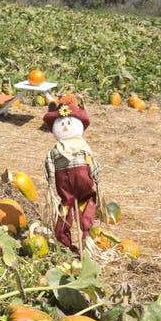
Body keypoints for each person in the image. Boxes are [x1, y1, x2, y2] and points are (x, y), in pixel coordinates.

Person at [43, 100, 103, 251]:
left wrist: (50, 180)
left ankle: (70, 237)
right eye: (61, 123)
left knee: (68, 203)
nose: (64, 126)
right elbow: (91, 160)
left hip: (63, 179)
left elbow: (49, 163)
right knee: (84, 200)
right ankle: (74, 239)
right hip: (81, 178)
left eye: (69, 123)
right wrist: (96, 177)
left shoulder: (58, 150)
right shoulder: (82, 146)